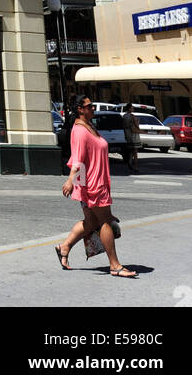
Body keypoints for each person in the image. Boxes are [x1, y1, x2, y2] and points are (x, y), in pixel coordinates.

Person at [56, 94, 137, 278]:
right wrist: (70, 180)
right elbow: (77, 159)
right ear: (80, 109)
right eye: (90, 106)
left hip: (95, 182)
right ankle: (115, 265)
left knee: (91, 222)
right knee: (105, 222)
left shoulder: (89, 126)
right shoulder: (79, 130)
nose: (93, 108)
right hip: (91, 184)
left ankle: (65, 246)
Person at [121, 105, 140, 173]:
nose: (133, 109)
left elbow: (123, 126)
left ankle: (130, 162)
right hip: (134, 135)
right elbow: (137, 126)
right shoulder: (132, 116)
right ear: (129, 109)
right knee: (135, 152)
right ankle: (136, 166)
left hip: (127, 135)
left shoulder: (124, 116)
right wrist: (137, 122)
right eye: (132, 108)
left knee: (131, 151)